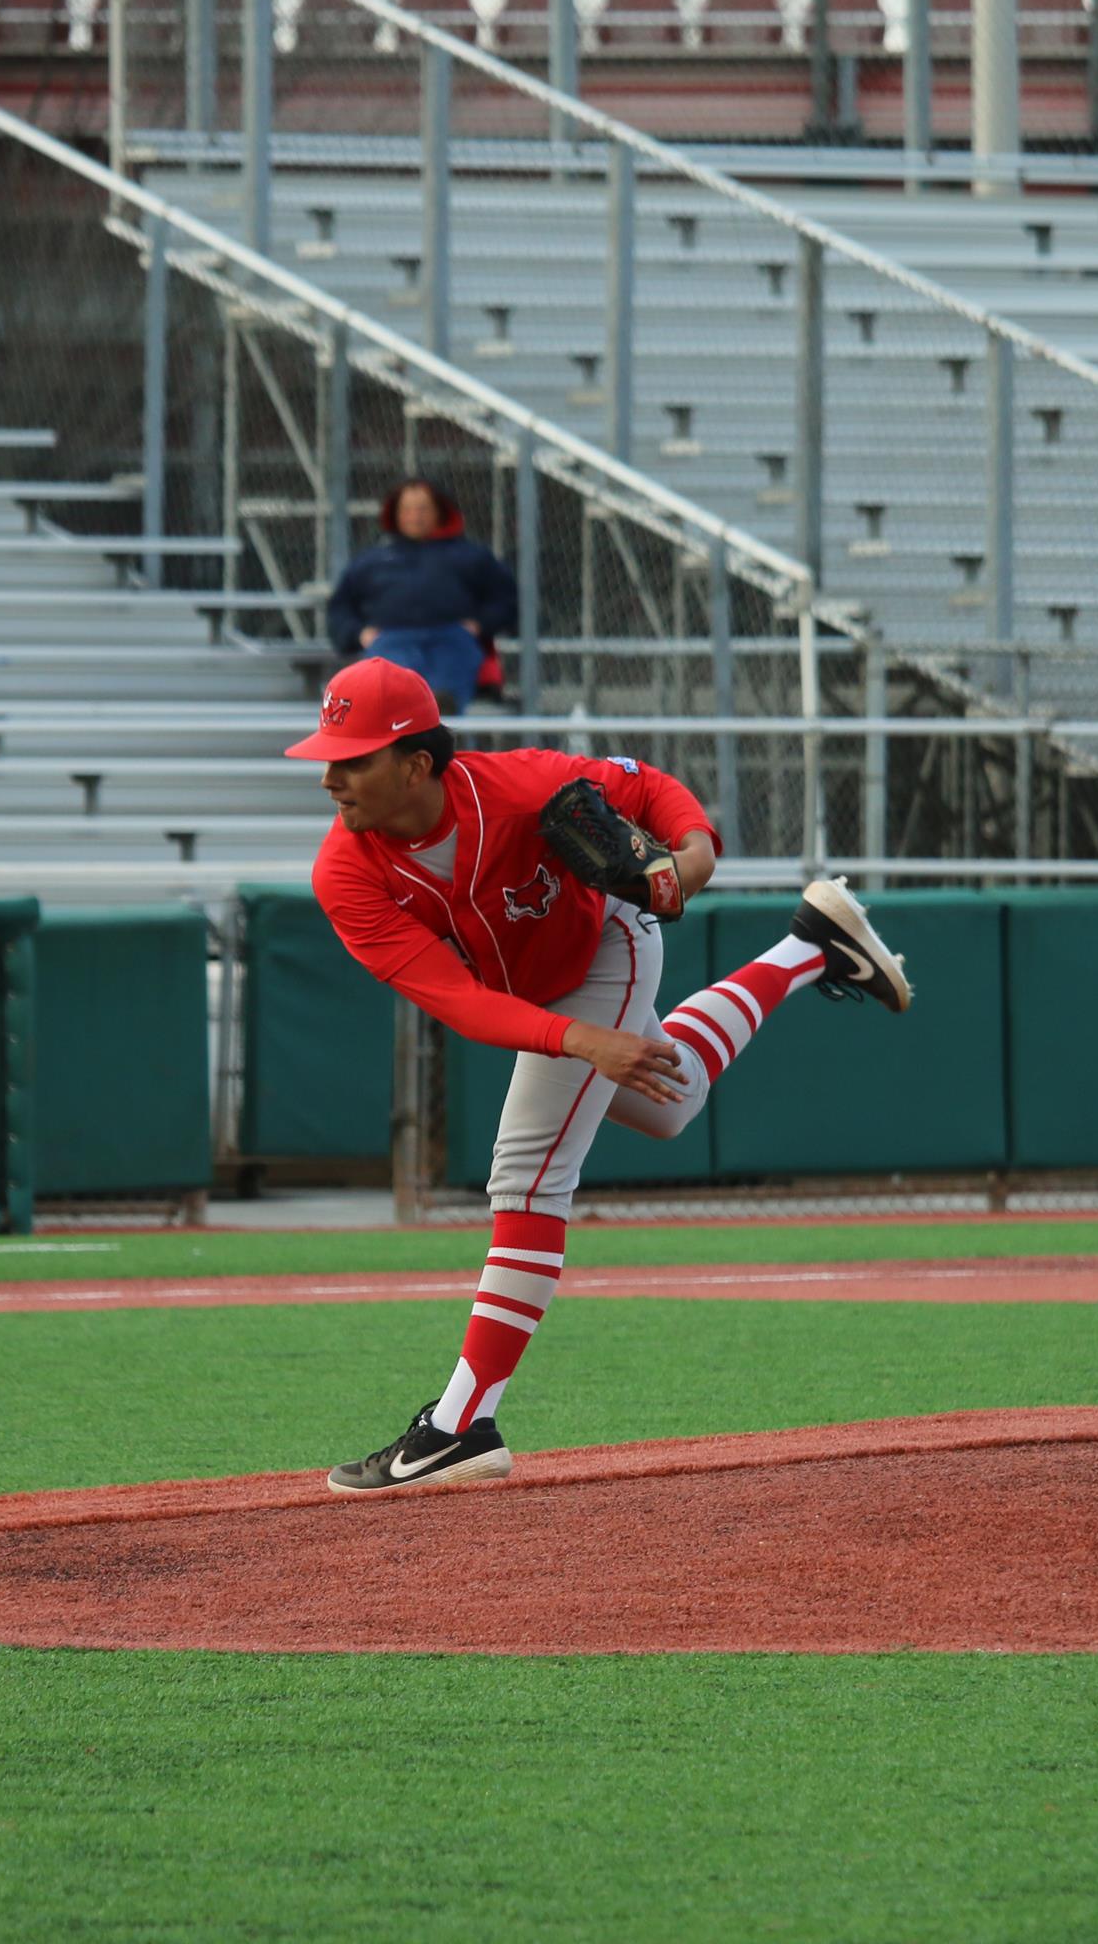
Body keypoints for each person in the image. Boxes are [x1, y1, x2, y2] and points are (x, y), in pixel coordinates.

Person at [291, 656, 913, 1495]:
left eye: (352, 758)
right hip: (540, 994)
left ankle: (460, 1425)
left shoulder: (518, 787)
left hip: (604, 945)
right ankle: (810, 947)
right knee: (671, 1102)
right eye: (327, 756)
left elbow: (645, 786)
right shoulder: (346, 872)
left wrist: (694, 856)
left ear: (416, 764)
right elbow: (459, 1003)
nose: (330, 777)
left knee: (526, 1177)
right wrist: (584, 1041)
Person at [324, 477, 517, 713]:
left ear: (439, 512)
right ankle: (411, 714)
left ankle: (440, 711)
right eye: (407, 509)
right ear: (395, 514)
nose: (415, 516)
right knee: (396, 692)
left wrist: (479, 625)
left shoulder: (472, 556)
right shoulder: (371, 561)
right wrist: (359, 634)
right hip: (392, 640)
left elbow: (504, 599)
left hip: (451, 639)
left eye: (423, 509)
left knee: (446, 687)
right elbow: (341, 607)